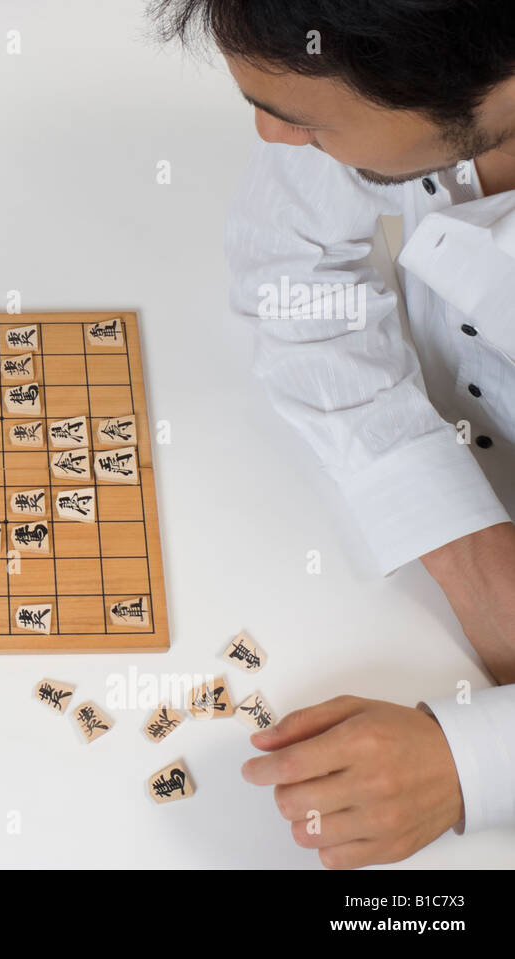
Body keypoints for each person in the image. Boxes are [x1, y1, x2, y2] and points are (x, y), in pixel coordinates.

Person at [153, 0, 515, 866]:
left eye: (305, 120)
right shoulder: (400, 51)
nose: (269, 137)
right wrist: (468, 551)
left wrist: (473, 766)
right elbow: (295, 273)